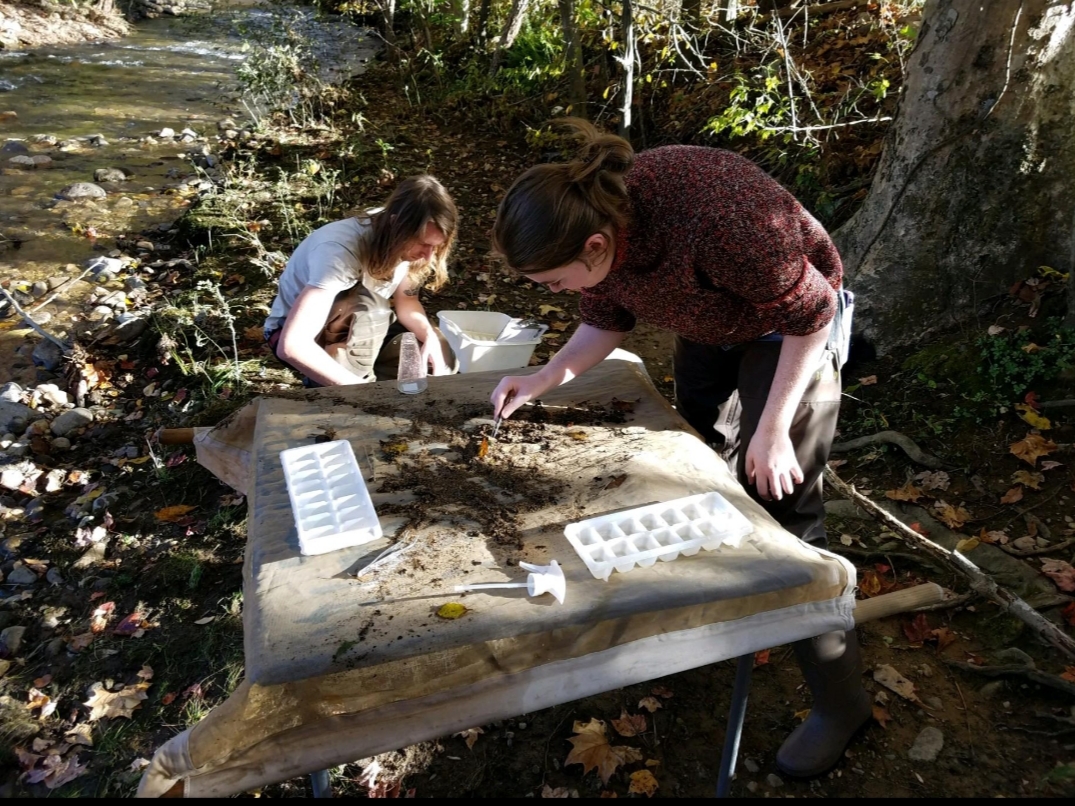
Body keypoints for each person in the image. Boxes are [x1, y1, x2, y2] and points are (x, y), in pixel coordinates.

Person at [489, 120, 867, 778]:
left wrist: (772, 426)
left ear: (597, 244)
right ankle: (720, 620)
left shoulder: (722, 220)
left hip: (788, 334)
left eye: (552, 281)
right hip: (709, 323)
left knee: (785, 507)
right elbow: (603, 314)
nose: (553, 292)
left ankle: (840, 705)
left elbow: (812, 312)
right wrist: (544, 376)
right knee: (698, 474)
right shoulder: (592, 228)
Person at [264, 175, 458, 387]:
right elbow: (293, 345)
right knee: (370, 310)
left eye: (435, 247)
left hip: (366, 327)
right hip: (295, 332)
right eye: (423, 244)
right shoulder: (338, 250)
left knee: (436, 355)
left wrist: (430, 336)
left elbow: (407, 302)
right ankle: (333, 393)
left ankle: (380, 388)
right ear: (396, 226)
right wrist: (359, 392)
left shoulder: (406, 237)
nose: (428, 256)